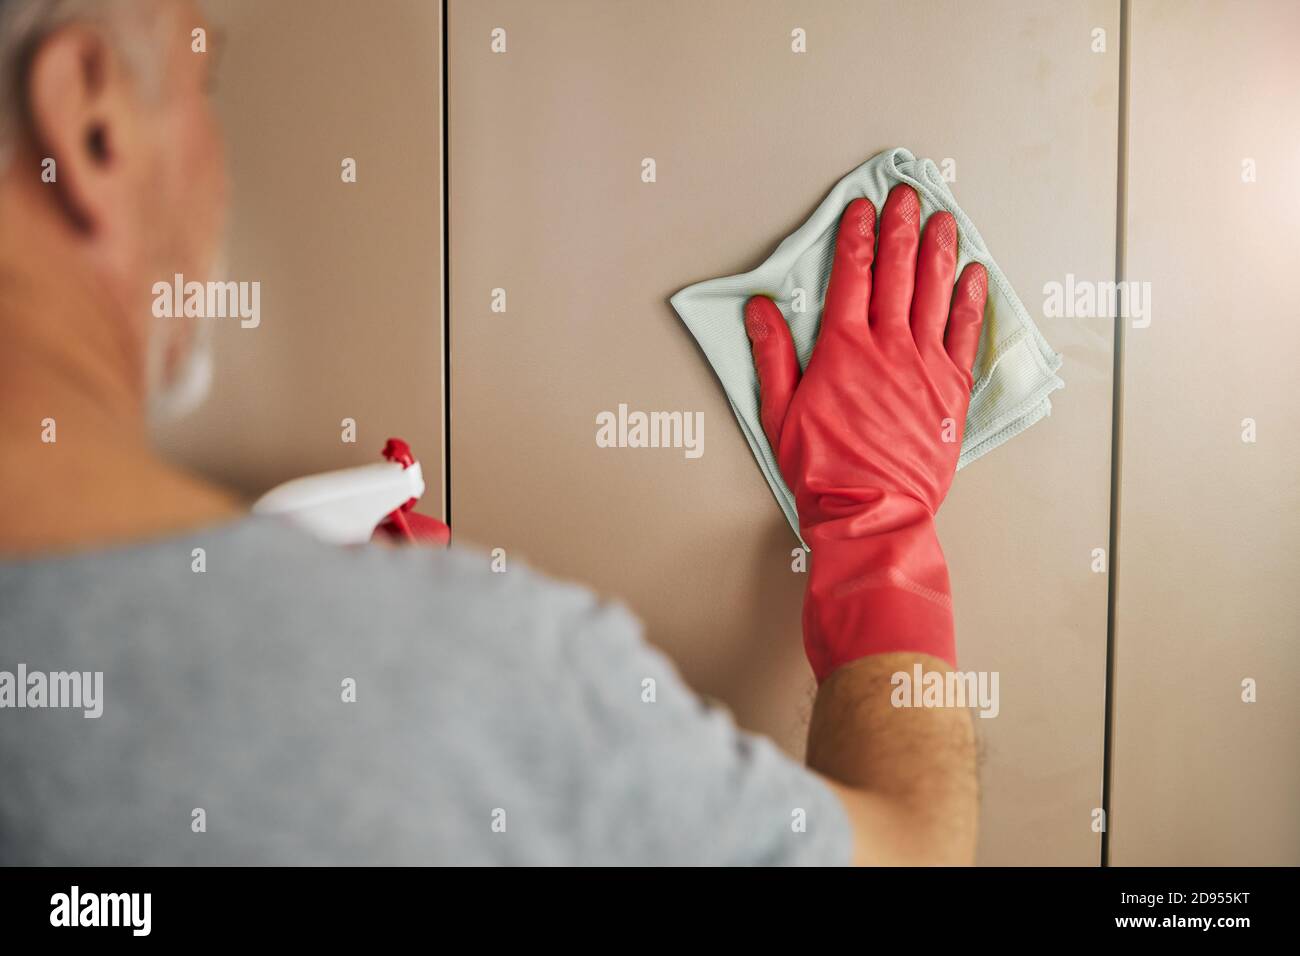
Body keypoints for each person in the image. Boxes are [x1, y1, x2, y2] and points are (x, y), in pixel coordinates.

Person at [0, 0, 982, 865]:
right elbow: (909, 856)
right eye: (202, 78)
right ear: (89, 120)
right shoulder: (462, 679)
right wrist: (873, 525)